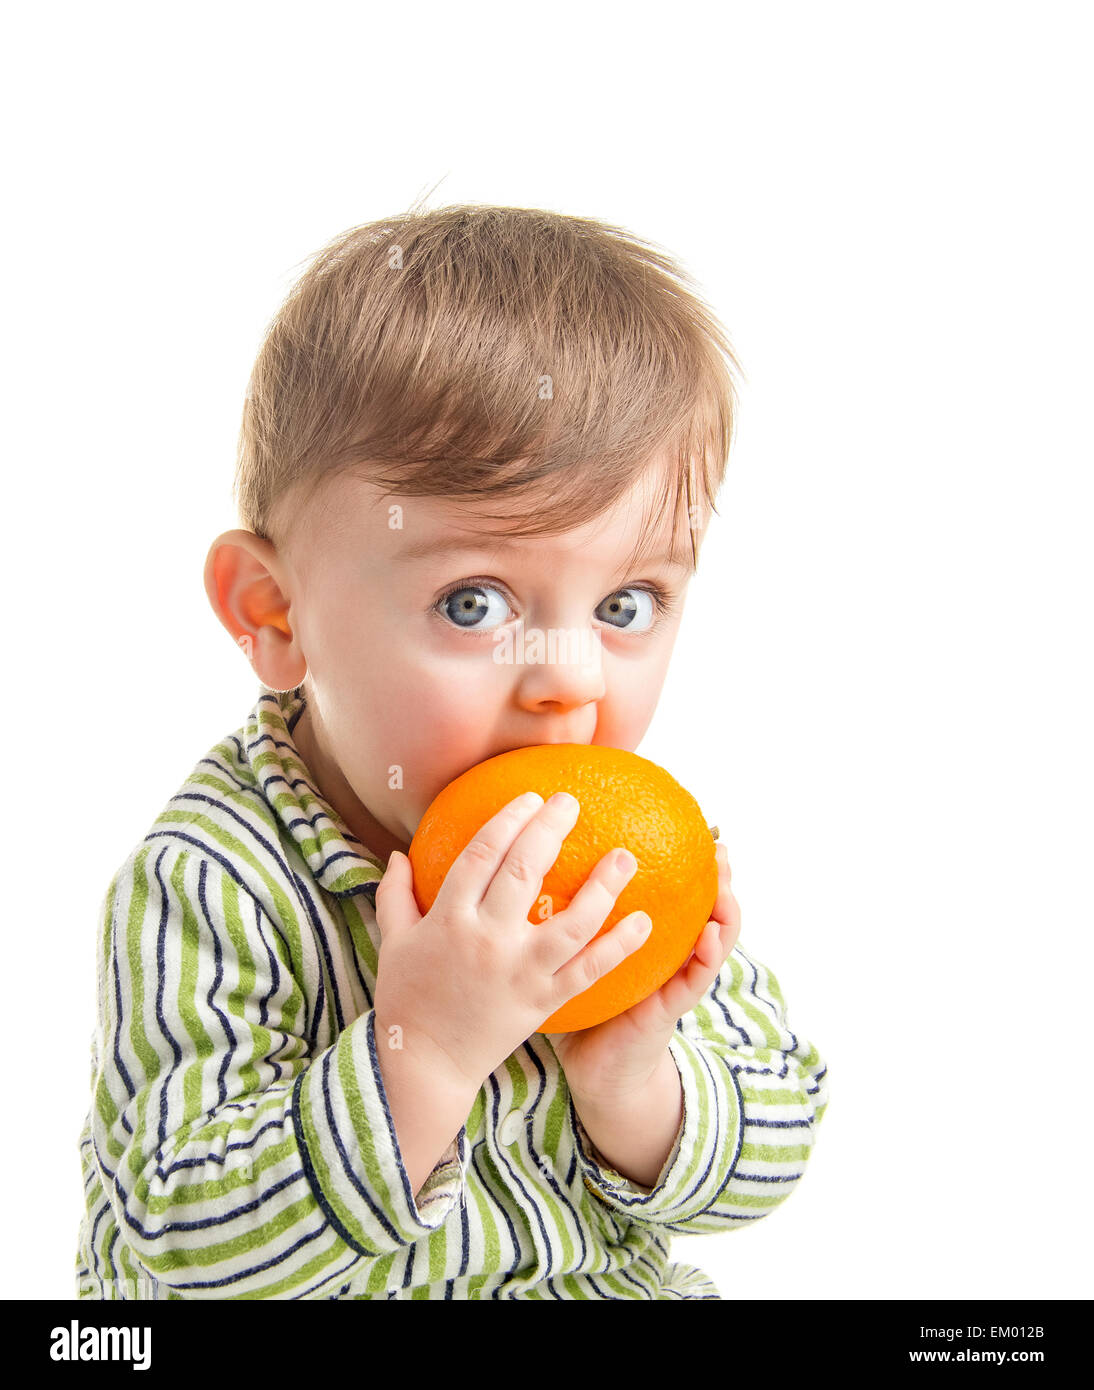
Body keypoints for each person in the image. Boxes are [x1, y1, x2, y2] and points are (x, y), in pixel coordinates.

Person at [75, 203, 828, 1300]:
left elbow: (777, 1134)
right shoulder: (216, 878)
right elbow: (180, 1245)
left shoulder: (624, 864)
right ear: (275, 613)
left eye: (625, 601)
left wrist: (635, 1082)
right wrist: (418, 1052)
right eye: (473, 602)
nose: (569, 674)